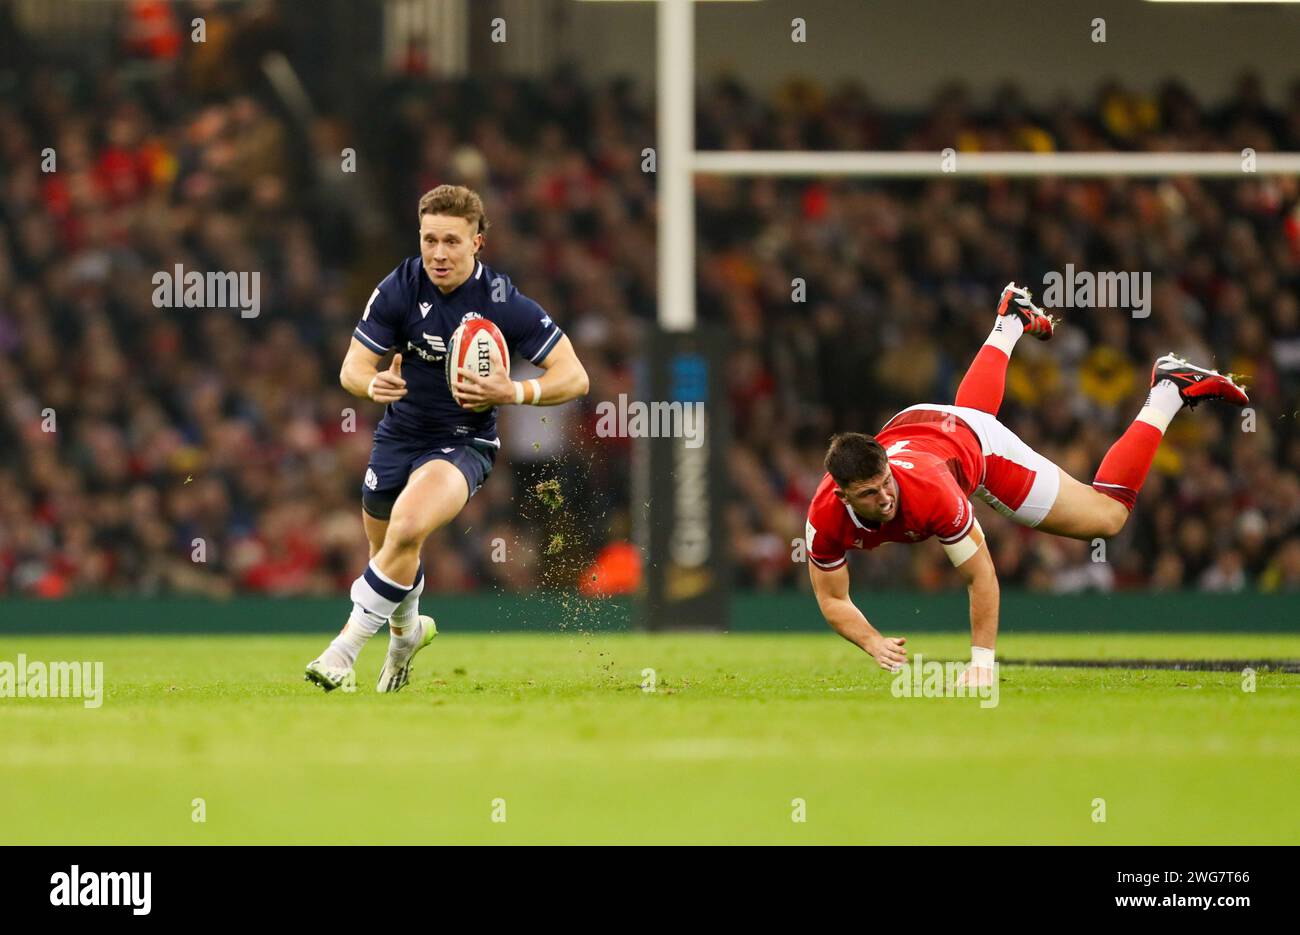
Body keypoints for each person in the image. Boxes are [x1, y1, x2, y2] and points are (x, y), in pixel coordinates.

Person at [805, 283, 1249, 685]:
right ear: (842, 494)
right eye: (868, 494)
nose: (884, 499)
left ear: (887, 468)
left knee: (1107, 518)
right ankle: (1011, 319)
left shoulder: (933, 494)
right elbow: (832, 599)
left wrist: (981, 664)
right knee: (970, 413)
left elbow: (981, 576)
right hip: (925, 425)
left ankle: (1168, 391)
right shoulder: (823, 516)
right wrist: (871, 641)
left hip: (980, 450)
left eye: (885, 483)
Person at [304, 185, 590, 692]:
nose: (438, 253)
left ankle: (341, 653)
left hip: (463, 442)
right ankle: (407, 635)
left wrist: (513, 390)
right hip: (399, 435)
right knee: (389, 549)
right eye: (429, 239)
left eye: (452, 242)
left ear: (478, 242)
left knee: (408, 527)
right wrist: (373, 383)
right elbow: (352, 366)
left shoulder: (503, 300)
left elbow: (574, 376)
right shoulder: (399, 285)